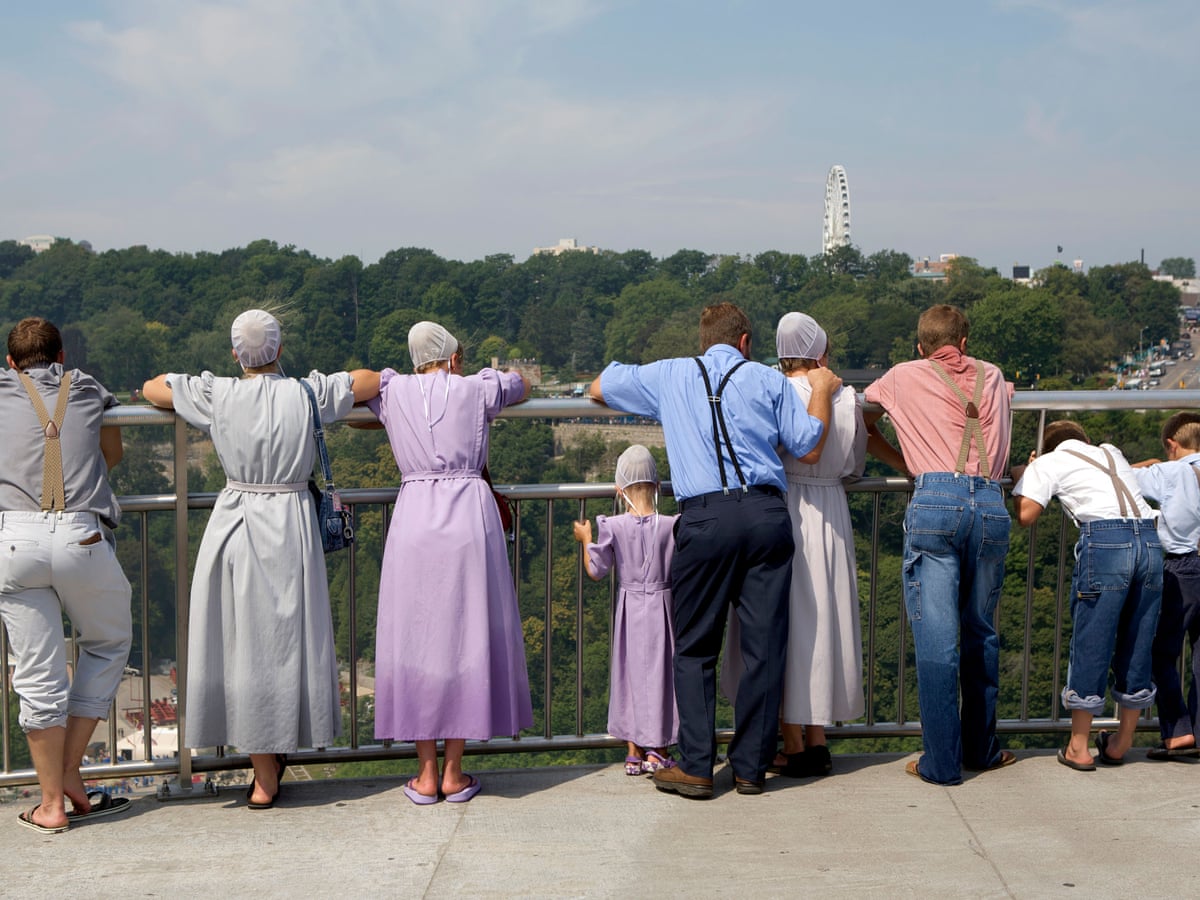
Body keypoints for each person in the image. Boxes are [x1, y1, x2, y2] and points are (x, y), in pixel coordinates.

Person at [590, 302, 840, 798]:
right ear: (745, 343)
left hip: (704, 519)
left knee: (695, 647)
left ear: (703, 342)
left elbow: (599, 386)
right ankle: (750, 767)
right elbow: (809, 445)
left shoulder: (671, 375)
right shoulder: (767, 379)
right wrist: (822, 391)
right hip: (766, 515)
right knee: (763, 649)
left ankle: (698, 766)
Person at [142, 309, 379, 809]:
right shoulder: (307, 393)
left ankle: (264, 773)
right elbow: (369, 380)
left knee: (242, 646)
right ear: (280, 350)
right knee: (286, 642)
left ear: (235, 354)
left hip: (237, 519)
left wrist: (198, 382)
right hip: (292, 521)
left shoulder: (219, 394)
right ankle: (279, 751)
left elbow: (153, 388)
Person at [722, 312, 907, 777]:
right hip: (831, 511)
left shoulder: (773, 389)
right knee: (823, 620)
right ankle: (818, 735)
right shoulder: (846, 398)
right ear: (821, 352)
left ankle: (791, 740)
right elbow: (853, 465)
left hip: (782, 504)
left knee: (784, 622)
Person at [369, 321, 533, 805]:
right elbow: (522, 384)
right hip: (468, 517)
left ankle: (424, 774)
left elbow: (365, 393)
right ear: (455, 358)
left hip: (414, 517)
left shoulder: (393, 390)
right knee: (465, 637)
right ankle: (454, 773)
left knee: (417, 639)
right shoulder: (477, 389)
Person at [863, 304, 1014, 785]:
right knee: (981, 633)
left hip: (935, 501)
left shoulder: (902, 375)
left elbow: (862, 421)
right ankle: (982, 750)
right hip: (990, 502)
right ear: (964, 343)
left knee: (937, 640)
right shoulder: (993, 376)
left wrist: (904, 461)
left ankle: (942, 763)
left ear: (920, 346)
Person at [0, 317, 133, 834]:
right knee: (108, 641)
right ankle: (72, 767)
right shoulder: (90, 388)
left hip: (15, 539)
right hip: (81, 536)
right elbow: (112, 454)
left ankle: (51, 804)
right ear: (61, 357)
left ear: (10, 363)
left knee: (37, 674)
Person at [1012, 420, 1162, 769]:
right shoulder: (1110, 453)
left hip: (1107, 543)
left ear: (1046, 450)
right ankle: (1122, 742)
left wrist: (1026, 474)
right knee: (1138, 642)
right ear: (1087, 440)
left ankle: (1079, 746)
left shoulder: (1050, 462)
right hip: (1150, 541)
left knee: (1092, 640)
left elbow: (1026, 514)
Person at [573, 444, 680, 775]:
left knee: (630, 673)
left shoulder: (614, 526)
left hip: (630, 607)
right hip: (663, 607)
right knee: (663, 676)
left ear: (619, 490)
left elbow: (596, 570)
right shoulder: (672, 525)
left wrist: (586, 538)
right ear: (658, 486)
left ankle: (633, 751)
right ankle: (658, 749)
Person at [1132, 412, 1200, 760]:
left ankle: (1177, 731)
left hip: (1184, 568)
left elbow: (1117, 475)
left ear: (1172, 444)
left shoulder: (1171, 471)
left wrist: (1147, 464)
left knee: (1160, 653)